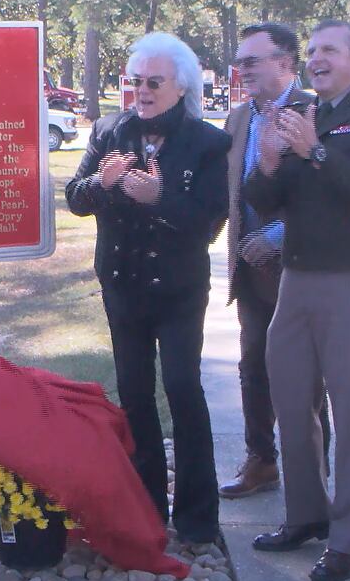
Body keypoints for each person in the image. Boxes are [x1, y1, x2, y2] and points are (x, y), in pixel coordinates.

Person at [245, 20, 350, 581]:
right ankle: (305, 516)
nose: (317, 59)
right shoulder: (300, 115)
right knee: (291, 404)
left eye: (329, 51)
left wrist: (313, 151)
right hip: (297, 280)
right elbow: (268, 202)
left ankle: (348, 541)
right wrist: (271, 161)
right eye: (312, 51)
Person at [65, 32, 229, 545]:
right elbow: (74, 198)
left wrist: (160, 198)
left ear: (181, 87)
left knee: (182, 388)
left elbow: (208, 222)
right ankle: (147, 507)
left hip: (179, 289)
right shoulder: (110, 130)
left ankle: (198, 518)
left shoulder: (208, 142)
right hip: (122, 285)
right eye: (134, 81)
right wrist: (102, 185)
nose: (142, 91)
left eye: (153, 82)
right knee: (134, 394)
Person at [219, 22, 323, 499]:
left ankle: (316, 477)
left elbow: (326, 196)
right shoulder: (239, 119)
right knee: (253, 367)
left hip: (301, 268)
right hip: (250, 272)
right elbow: (232, 193)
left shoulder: (315, 110)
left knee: (306, 376)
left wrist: (279, 237)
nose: (242, 70)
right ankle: (261, 461)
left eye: (252, 61)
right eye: (239, 62)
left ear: (285, 63)